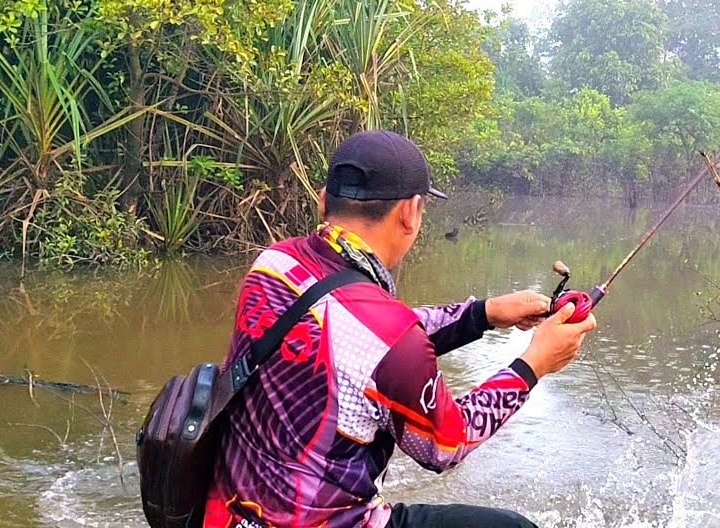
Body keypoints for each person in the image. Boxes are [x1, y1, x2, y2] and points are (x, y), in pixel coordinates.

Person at [205, 129, 597, 528]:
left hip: (226, 513)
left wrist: (484, 313)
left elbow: (358, 335)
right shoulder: (386, 337)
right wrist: (534, 364)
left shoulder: (273, 264)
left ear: (324, 201)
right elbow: (446, 445)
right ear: (410, 213)